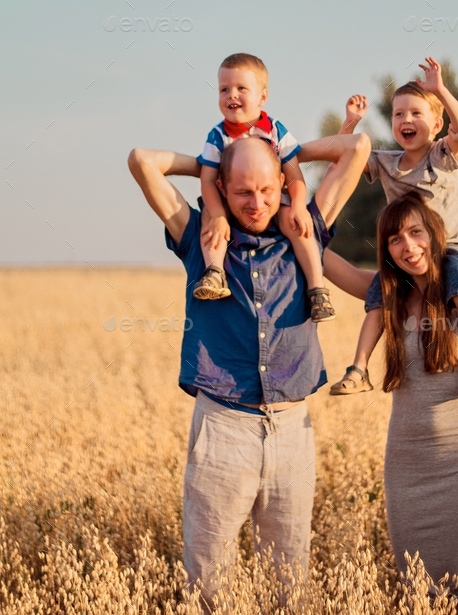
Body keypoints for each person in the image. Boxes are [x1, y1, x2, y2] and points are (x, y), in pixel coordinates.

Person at [127, 112, 370, 607]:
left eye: (265, 189)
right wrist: (208, 176)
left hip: (292, 430)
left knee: (288, 582)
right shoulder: (202, 239)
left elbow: (357, 148)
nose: (256, 203)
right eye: (241, 192)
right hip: (224, 426)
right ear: (222, 188)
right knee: (208, 581)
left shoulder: (304, 229)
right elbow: (142, 161)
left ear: (281, 182)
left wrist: (288, 155)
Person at [323, 114, 458, 599]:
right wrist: (344, 155)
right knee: (418, 594)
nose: (407, 246)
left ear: (435, 234)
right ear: (387, 250)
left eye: (416, 233)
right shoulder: (384, 298)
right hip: (405, 467)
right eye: (395, 239)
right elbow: (315, 246)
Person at [331, 57, 458, 401]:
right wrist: (349, 124)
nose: (406, 119)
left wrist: (440, 90)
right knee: (380, 293)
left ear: (436, 124)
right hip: (408, 254)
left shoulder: (441, 155)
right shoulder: (386, 162)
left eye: (416, 113)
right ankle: (359, 368)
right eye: (398, 114)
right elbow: (342, 158)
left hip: (452, 247)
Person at [194, 52, 343, 322]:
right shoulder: (217, 136)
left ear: (262, 97)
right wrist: (217, 214)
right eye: (224, 89)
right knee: (209, 220)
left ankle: (317, 289)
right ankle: (214, 273)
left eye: (241, 88)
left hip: (273, 199)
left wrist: (298, 205)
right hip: (228, 202)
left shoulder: (275, 130)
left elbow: (294, 174)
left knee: (298, 224)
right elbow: (207, 180)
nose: (232, 95)